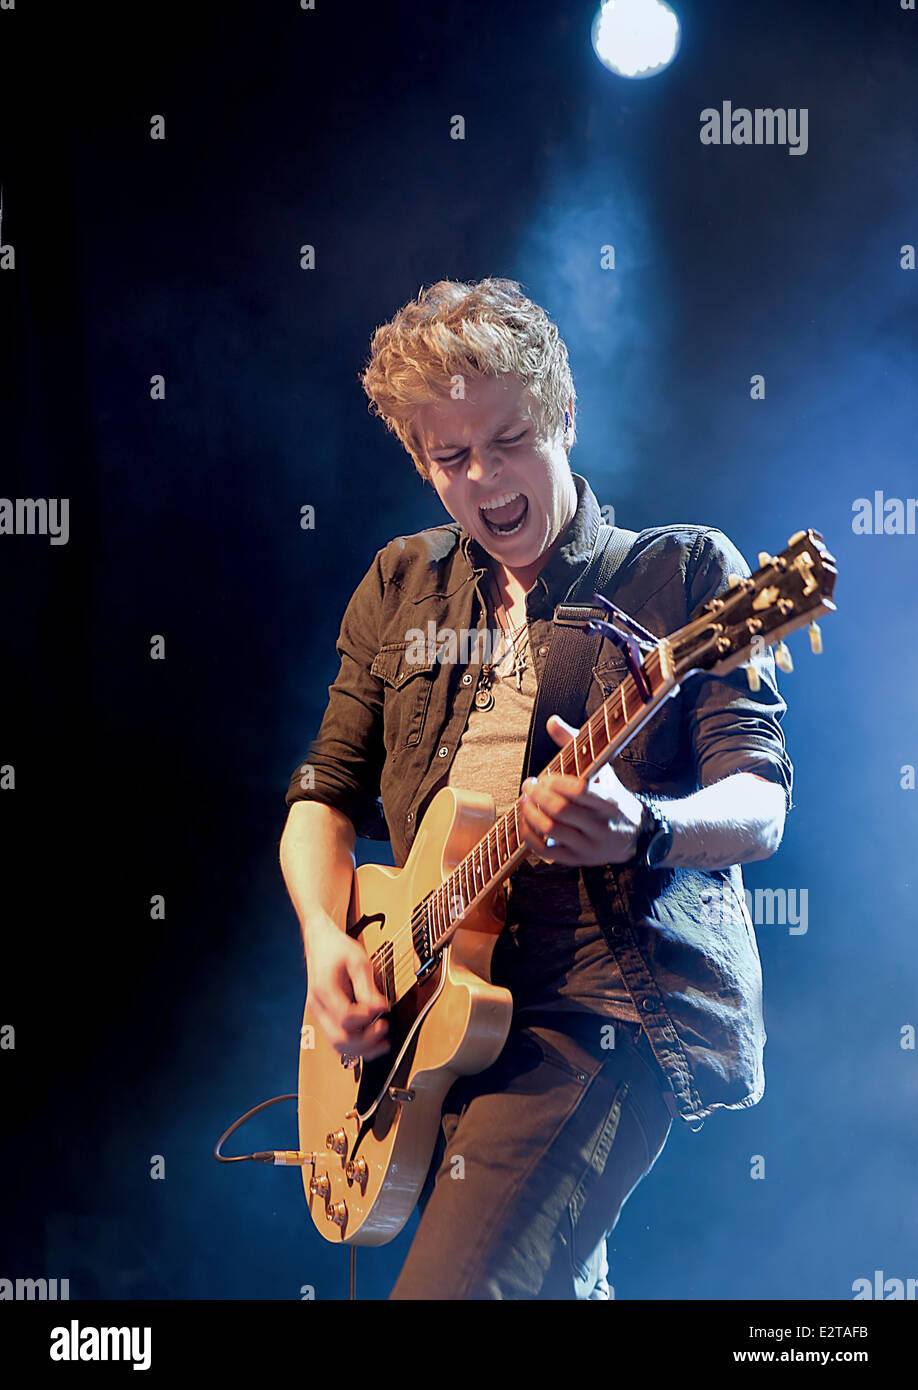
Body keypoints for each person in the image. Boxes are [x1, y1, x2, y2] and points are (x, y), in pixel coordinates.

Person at [279, 277, 793, 1300]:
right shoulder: (402, 582)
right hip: (430, 1015)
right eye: (450, 457)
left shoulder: (683, 574)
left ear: (564, 412)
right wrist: (327, 941)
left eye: (508, 440)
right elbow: (321, 797)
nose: (485, 479)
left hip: (593, 1013)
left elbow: (761, 803)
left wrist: (642, 826)